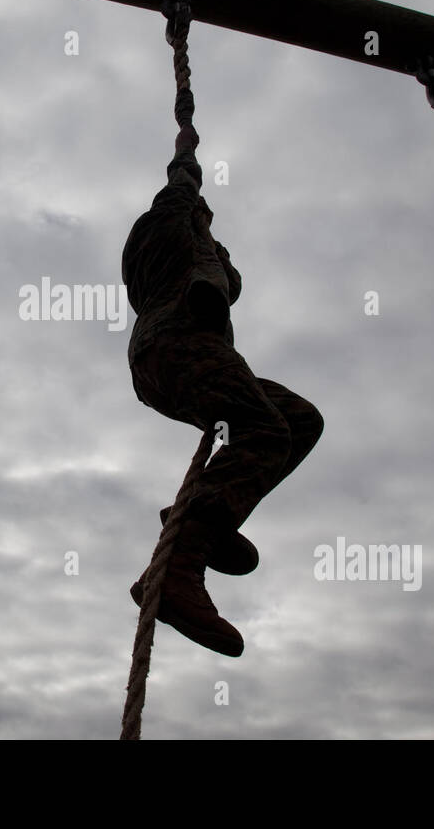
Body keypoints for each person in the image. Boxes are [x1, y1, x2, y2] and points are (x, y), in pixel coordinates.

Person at [122, 127, 324, 657]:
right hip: (173, 343)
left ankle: (205, 519)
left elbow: (227, 280)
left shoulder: (204, 250)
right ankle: (177, 570)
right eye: (204, 217)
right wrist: (185, 160)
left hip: (188, 352)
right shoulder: (164, 231)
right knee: (263, 430)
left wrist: (213, 243)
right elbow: (177, 193)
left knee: (298, 420)